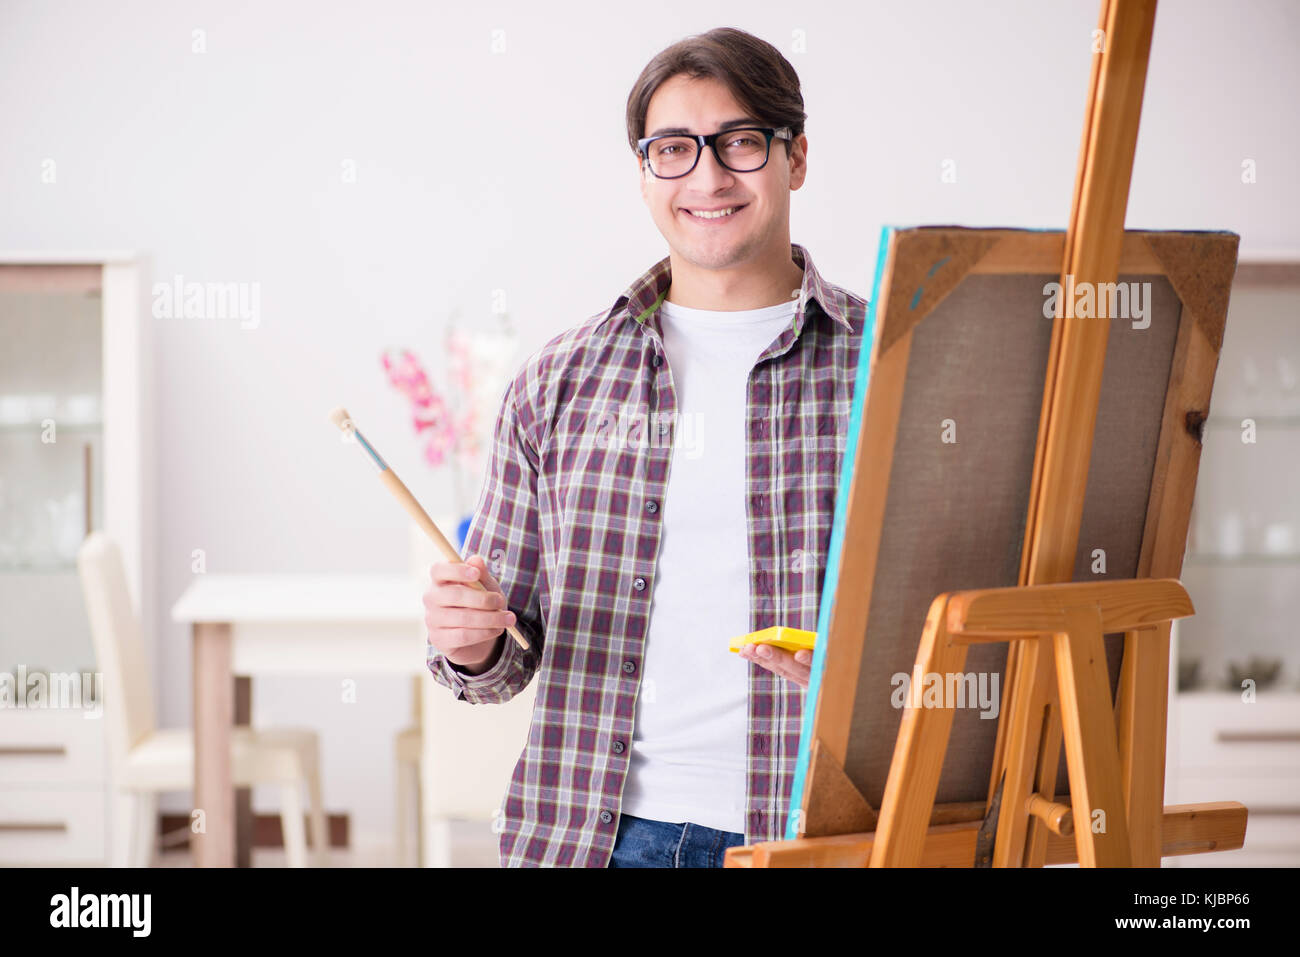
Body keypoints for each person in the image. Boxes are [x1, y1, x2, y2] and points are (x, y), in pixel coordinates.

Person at [424, 26, 868, 868]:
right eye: (674, 149)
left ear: (795, 157)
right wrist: (468, 639)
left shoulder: (889, 369)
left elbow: (960, 633)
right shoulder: (557, 382)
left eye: (739, 143)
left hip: (825, 835)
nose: (707, 177)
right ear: (644, 173)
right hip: (598, 836)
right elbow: (504, 658)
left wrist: (871, 682)